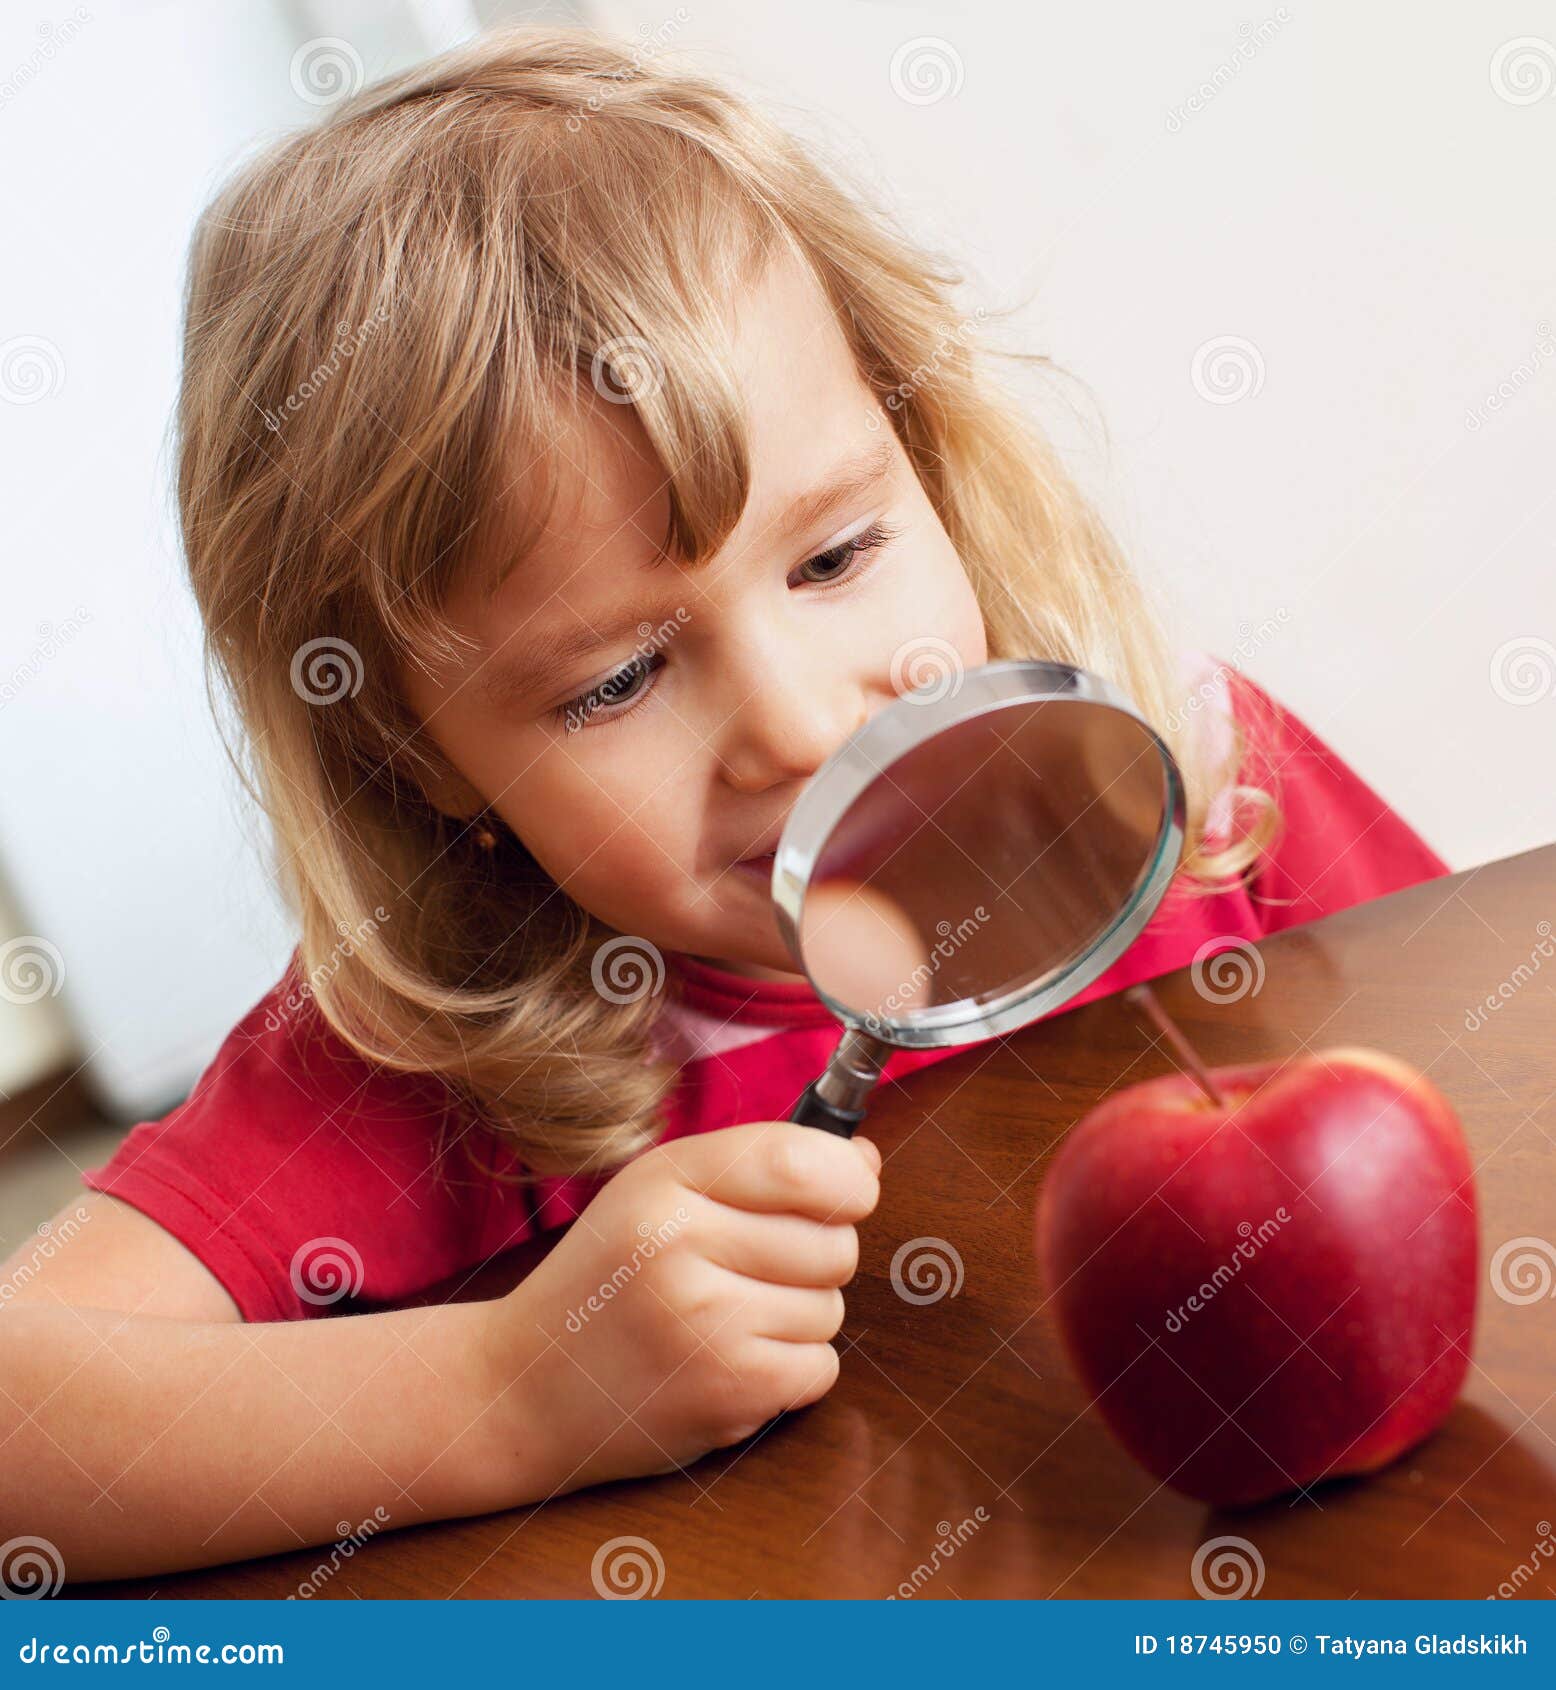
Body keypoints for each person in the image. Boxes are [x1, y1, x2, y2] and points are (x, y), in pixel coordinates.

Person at [0, 26, 1448, 1583]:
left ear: (923, 452)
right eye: (618, 679)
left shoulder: (1209, 777)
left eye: (833, 557)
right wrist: (513, 1390)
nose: (798, 724)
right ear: (416, 752)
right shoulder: (425, 1058)